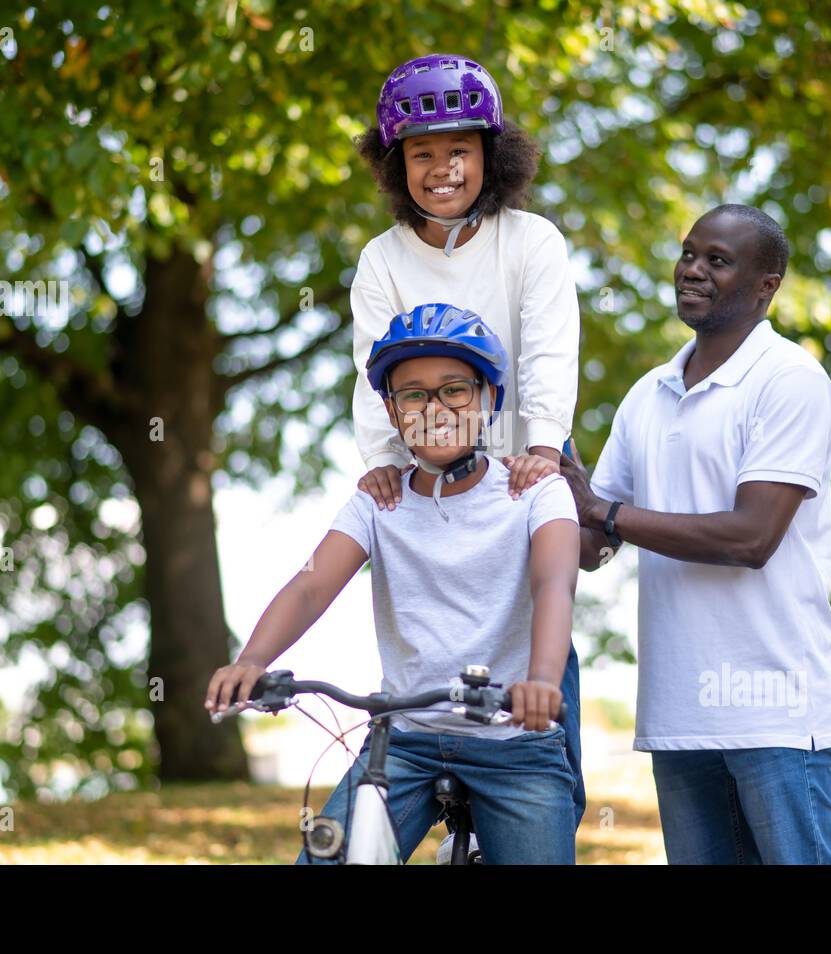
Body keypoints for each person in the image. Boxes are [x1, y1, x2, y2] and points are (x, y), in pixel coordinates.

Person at [206, 303, 580, 864]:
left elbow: (555, 584)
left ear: (487, 399)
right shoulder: (380, 501)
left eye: (454, 389)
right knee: (327, 857)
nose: (435, 409)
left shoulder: (532, 492)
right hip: (406, 740)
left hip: (513, 746)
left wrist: (544, 682)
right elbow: (310, 585)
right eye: (413, 394)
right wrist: (252, 659)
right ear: (391, 409)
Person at [559, 205, 831, 864]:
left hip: (776, 714)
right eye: (689, 253)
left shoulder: (790, 380)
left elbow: (752, 538)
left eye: (717, 260)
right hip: (679, 717)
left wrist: (602, 512)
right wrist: (533, 480)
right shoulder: (647, 394)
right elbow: (590, 545)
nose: (692, 269)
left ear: (766, 285)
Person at [348, 53, 588, 825]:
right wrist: (383, 463)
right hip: (419, 459)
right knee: (429, 615)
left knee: (537, 620)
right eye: (421, 153)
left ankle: (542, 778)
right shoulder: (382, 260)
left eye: (459, 149)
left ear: (493, 154)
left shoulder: (532, 241)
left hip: (523, 465)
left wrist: (543, 447)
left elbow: (550, 346)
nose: (442, 168)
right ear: (396, 166)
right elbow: (370, 368)